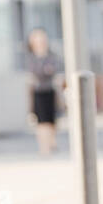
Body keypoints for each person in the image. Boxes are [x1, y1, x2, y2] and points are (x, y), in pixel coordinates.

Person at [24, 27, 63, 156]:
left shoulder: (51, 55)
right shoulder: (31, 57)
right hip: (38, 92)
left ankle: (51, 142)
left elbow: (54, 70)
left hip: (51, 90)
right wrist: (46, 71)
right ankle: (44, 147)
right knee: (41, 121)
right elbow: (36, 74)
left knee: (52, 120)